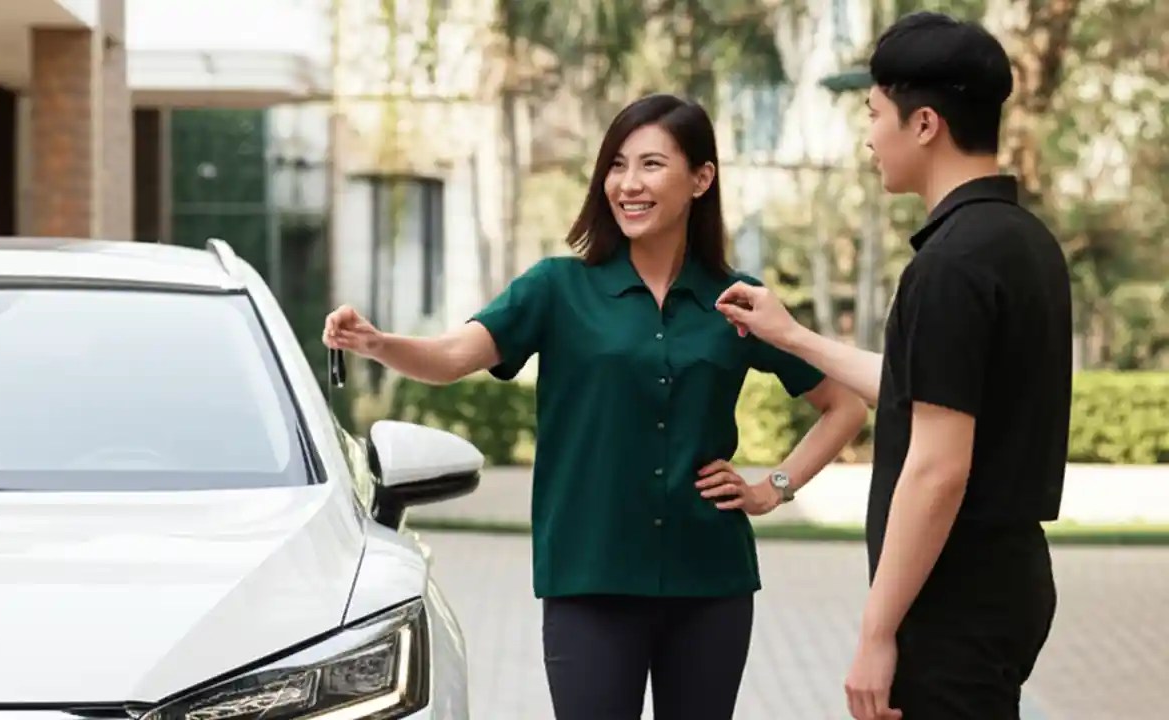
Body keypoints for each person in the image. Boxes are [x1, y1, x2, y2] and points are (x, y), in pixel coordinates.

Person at [324, 93, 868, 719]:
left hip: (709, 581)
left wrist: (774, 486)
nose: (628, 184)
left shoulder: (738, 302)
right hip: (591, 581)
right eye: (616, 165)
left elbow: (845, 405)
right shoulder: (557, 289)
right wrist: (378, 342)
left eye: (651, 165)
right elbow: (451, 358)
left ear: (701, 178)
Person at [716, 12, 1072, 720]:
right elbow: (929, 394)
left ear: (926, 123)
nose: (869, 135)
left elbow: (939, 467)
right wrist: (795, 338)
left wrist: (876, 633)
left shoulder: (949, 265)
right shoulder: (1021, 242)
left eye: (875, 113)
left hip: (951, 603)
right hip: (1005, 582)